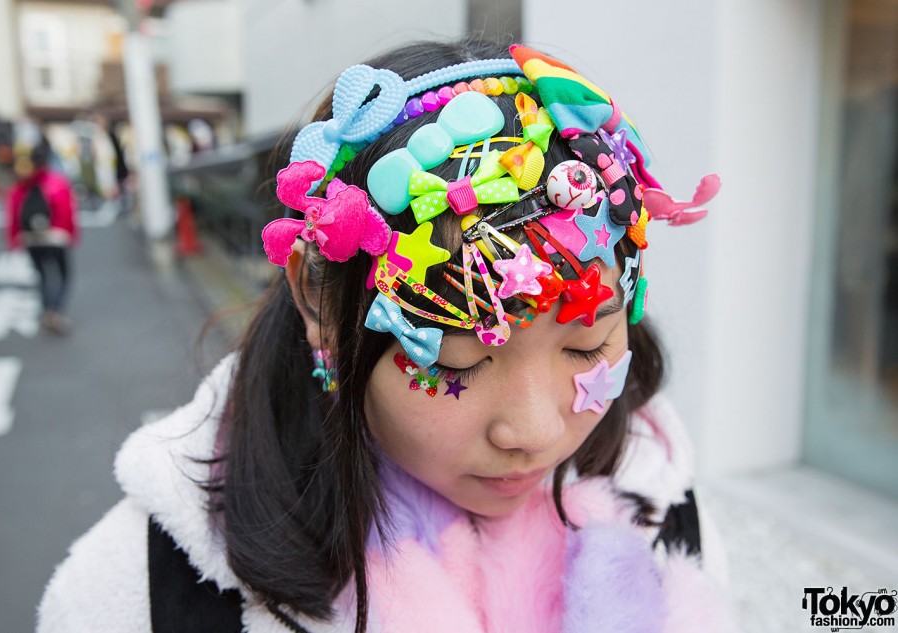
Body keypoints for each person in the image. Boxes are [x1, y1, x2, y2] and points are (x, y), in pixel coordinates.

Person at [38, 38, 735, 632]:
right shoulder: (142, 590)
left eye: (585, 347)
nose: (532, 430)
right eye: (458, 359)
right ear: (318, 298)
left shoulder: (662, 508)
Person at [6, 136, 78, 334]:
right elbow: (67, 210)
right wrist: (70, 233)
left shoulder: (20, 185)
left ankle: (47, 308)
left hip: (30, 238)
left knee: (42, 276)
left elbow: (13, 213)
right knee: (62, 275)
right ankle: (55, 309)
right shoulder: (56, 182)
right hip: (56, 237)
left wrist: (13, 239)